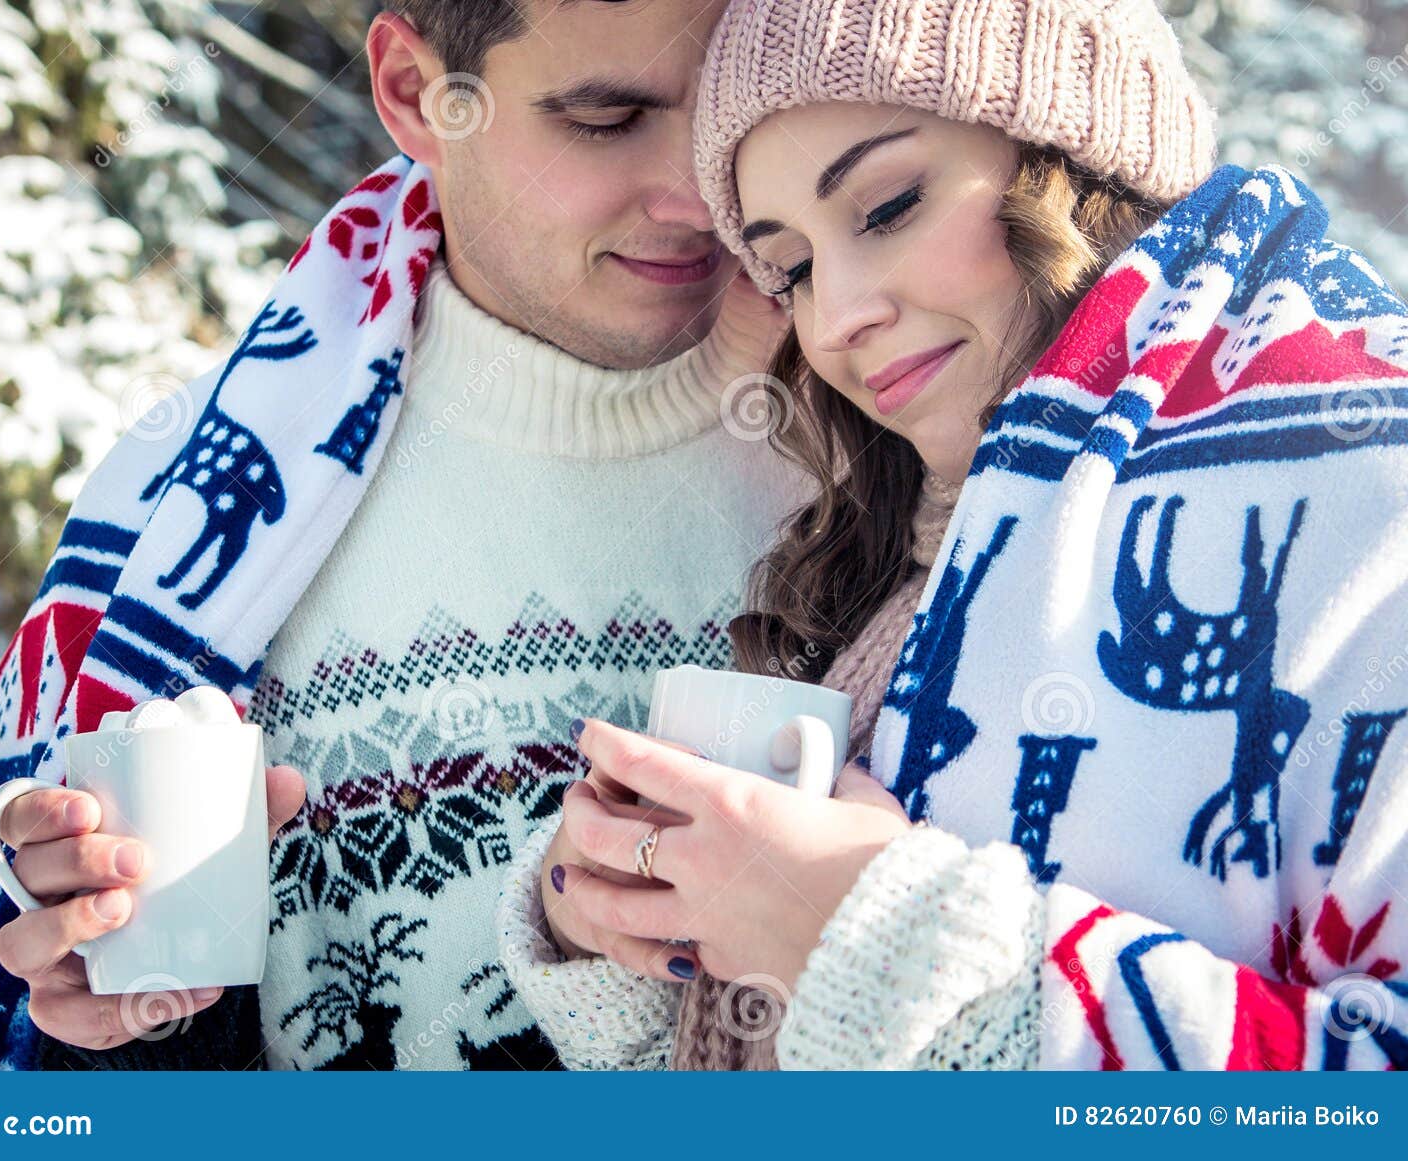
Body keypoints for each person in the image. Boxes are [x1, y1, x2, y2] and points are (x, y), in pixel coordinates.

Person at [0, 0, 815, 1072]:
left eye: (727, 117)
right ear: (416, 92)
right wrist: (121, 1020)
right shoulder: (198, 514)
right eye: (606, 119)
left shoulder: (895, 458)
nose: (696, 195)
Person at [497, 0, 1408, 1070]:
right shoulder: (895, 565)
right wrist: (630, 939)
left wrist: (892, 945)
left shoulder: (1368, 497)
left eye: (886, 206)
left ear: (1071, 159)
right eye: (786, 268)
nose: (833, 318)